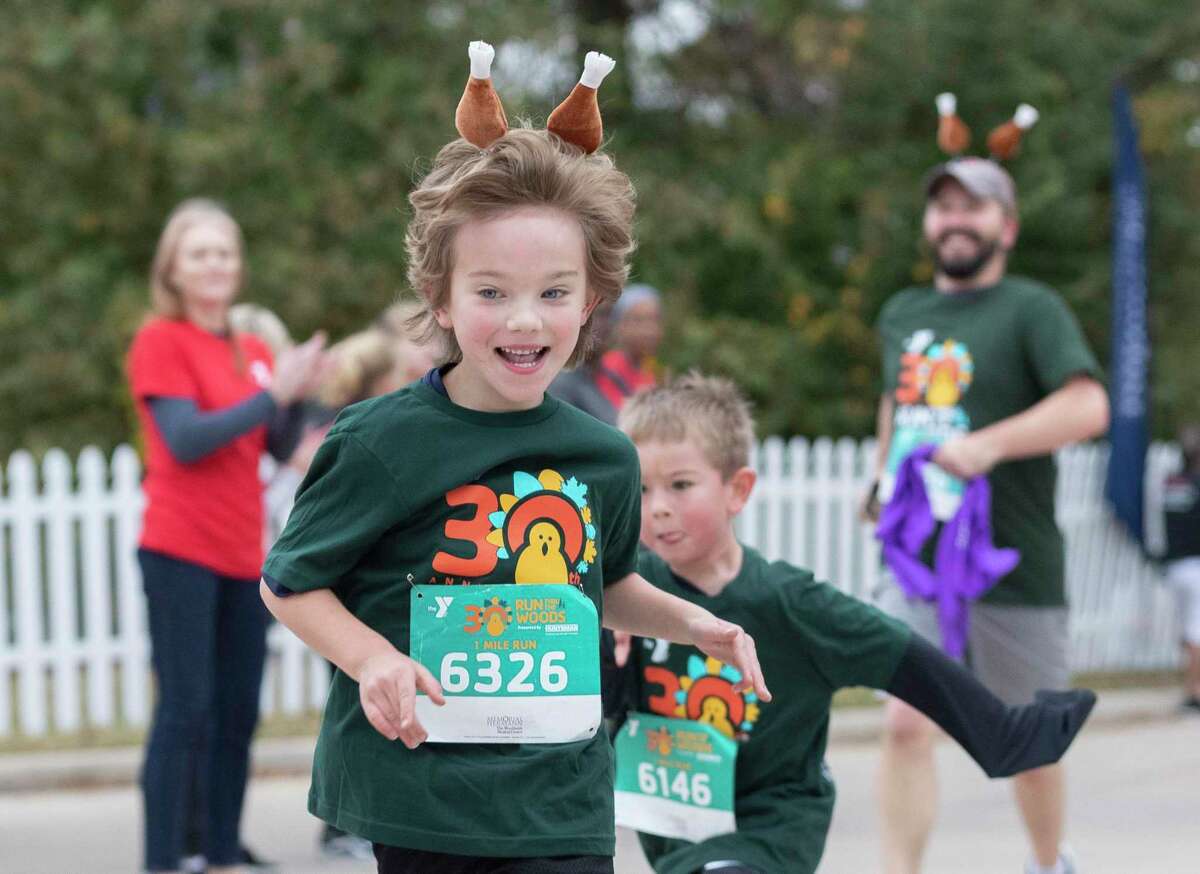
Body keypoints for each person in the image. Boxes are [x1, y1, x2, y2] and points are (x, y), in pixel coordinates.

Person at [258, 45, 770, 874]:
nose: (525, 322)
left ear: (591, 302)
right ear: (442, 299)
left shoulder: (603, 455)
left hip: (560, 796)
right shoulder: (378, 441)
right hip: (422, 797)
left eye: (554, 293)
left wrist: (694, 623)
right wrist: (374, 659)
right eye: (492, 292)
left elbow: (603, 585)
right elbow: (290, 582)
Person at [610, 373, 1095, 874]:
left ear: (738, 489)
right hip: (675, 827)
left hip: (774, 823)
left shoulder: (791, 603)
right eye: (641, 489)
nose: (659, 507)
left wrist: (999, 732)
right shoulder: (622, 593)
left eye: (680, 485)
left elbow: (902, 656)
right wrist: (609, 650)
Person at [867, 157, 1109, 874]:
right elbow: (895, 403)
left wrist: (987, 447)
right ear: (928, 224)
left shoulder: (1031, 309)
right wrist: (882, 480)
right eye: (943, 208)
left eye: (974, 208)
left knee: (1029, 740)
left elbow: (1088, 404)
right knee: (906, 723)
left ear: (1007, 225)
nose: (956, 221)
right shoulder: (902, 314)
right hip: (916, 560)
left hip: (1013, 562)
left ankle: (1047, 863)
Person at [126, 198, 327, 874]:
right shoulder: (161, 340)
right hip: (179, 550)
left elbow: (273, 442)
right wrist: (273, 397)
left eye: (224, 252)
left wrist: (295, 390)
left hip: (245, 555)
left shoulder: (254, 350)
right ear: (173, 269)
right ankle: (161, 860)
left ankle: (219, 855)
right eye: (199, 253)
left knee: (238, 715)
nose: (215, 264)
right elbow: (185, 441)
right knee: (185, 712)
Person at [1161, 424, 1200, 713]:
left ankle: (1190, 684)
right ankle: (1194, 693)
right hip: (1196, 567)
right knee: (1196, 631)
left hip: (1175, 566)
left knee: (1187, 630)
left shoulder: (1172, 483)